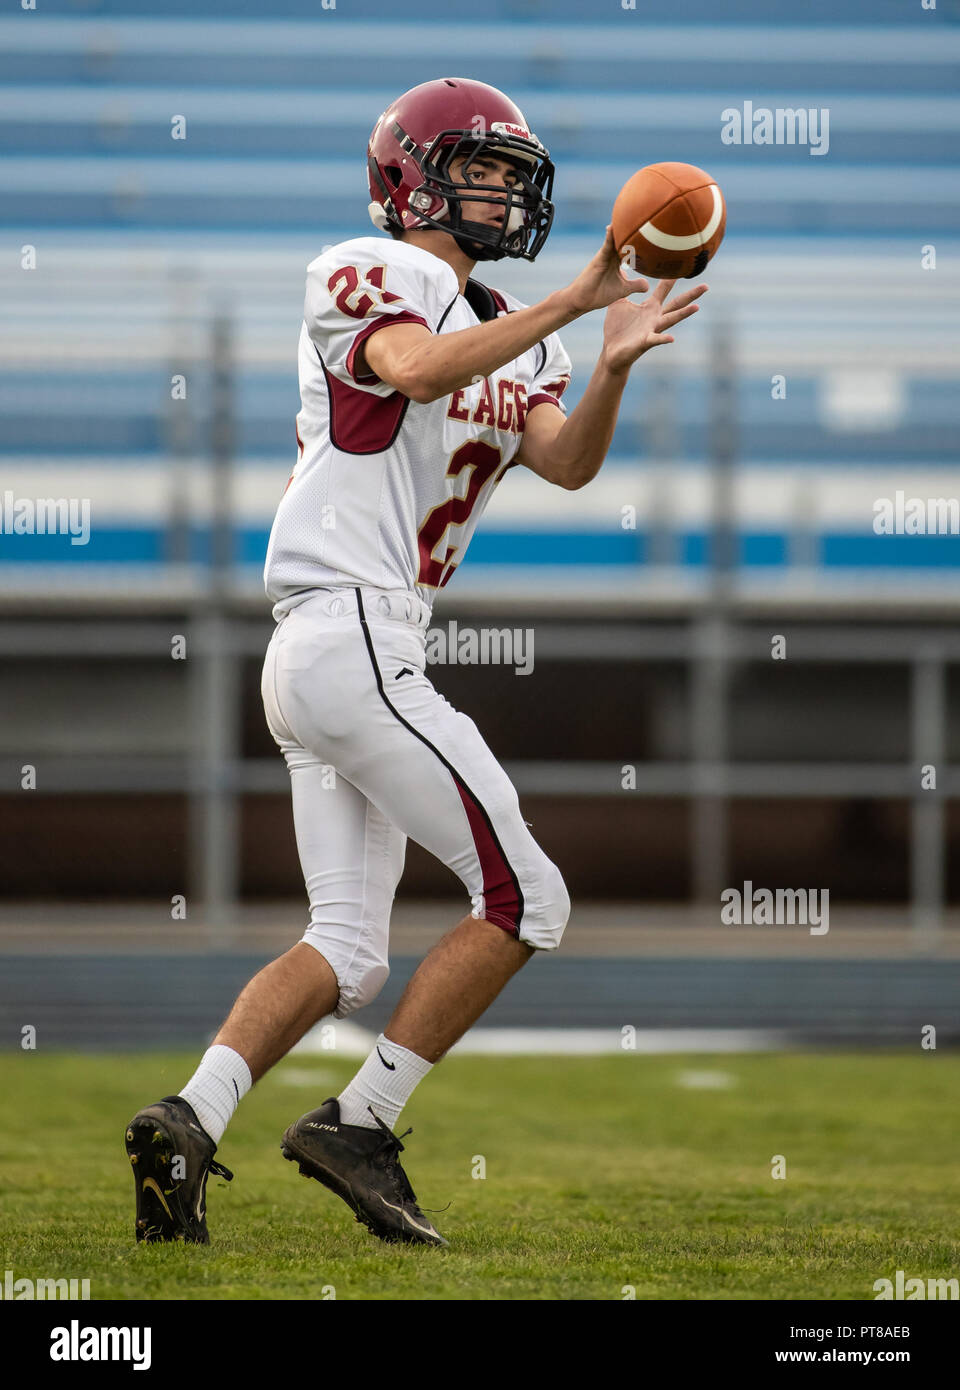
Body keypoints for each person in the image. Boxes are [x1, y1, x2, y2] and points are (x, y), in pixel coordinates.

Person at [124, 76, 707, 1249]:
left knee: (347, 948)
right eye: (482, 169)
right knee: (530, 896)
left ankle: (190, 1118)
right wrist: (570, 301)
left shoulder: (491, 315)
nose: (502, 191)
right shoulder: (377, 269)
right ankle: (360, 1122)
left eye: (510, 174)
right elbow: (414, 369)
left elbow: (567, 462)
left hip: (339, 650)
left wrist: (609, 363)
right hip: (353, 632)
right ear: (411, 179)